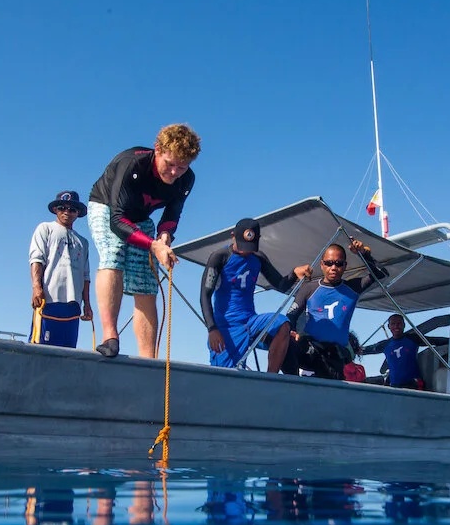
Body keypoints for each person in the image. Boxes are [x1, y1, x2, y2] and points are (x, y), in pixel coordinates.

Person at [87, 123, 201, 358]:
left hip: (140, 218)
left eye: (181, 167)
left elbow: (172, 214)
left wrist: (164, 239)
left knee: (148, 280)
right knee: (114, 253)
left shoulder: (186, 179)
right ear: (157, 150)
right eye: (170, 164)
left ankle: (149, 357)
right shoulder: (132, 164)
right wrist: (153, 244)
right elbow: (117, 221)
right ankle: (110, 335)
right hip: (108, 209)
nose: (174, 173)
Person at [200, 218, 307, 373]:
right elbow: (205, 295)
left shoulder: (258, 258)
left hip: (250, 321)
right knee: (227, 377)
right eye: (242, 246)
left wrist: (294, 273)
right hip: (227, 327)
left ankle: (270, 378)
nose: (245, 251)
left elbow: (281, 284)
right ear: (232, 236)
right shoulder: (219, 257)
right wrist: (212, 329)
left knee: (283, 324)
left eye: (250, 247)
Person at [285, 240, 388, 379]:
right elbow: (291, 315)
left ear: (345, 266)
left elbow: (382, 273)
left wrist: (363, 253)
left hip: (333, 357)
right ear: (322, 265)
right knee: (281, 338)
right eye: (329, 263)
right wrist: (291, 331)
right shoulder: (309, 288)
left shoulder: (353, 287)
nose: (333, 267)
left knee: (328, 382)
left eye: (338, 264)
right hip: (309, 350)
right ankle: (288, 383)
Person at [29, 190, 93, 348]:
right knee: (41, 347)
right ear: (55, 209)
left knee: (68, 349)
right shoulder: (45, 228)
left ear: (78, 213)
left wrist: (87, 304)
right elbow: (37, 259)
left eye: (72, 209)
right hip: (49, 299)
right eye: (62, 208)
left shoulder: (83, 242)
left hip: (73, 304)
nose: (67, 212)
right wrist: (37, 287)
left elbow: (86, 275)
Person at [381, 313, 425, 389]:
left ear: (404, 325)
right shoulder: (385, 344)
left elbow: (434, 340)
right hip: (395, 386)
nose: (396, 326)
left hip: (413, 385)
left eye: (399, 323)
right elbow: (366, 349)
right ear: (389, 326)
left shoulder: (413, 339)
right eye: (393, 324)